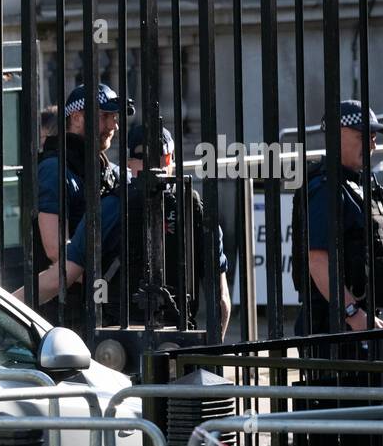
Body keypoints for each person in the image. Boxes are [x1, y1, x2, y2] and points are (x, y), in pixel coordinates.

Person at [20, 123, 231, 340]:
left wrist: (3, 303)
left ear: (130, 164)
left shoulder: (110, 208)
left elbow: (60, 278)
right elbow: (221, 298)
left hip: (119, 343)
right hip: (180, 336)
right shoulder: (196, 210)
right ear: (170, 160)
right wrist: (211, 354)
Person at [291, 101, 383, 335]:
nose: (372, 145)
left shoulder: (363, 186)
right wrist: (352, 313)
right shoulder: (326, 189)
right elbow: (317, 260)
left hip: (362, 319)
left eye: (374, 137)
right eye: (364, 136)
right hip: (332, 325)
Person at [28, 83, 132, 332]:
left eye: (114, 117)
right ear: (76, 117)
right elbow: (56, 251)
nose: (113, 126)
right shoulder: (55, 169)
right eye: (105, 116)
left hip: (101, 307)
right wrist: (110, 281)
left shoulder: (104, 169)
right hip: (66, 313)